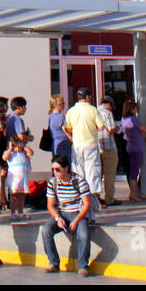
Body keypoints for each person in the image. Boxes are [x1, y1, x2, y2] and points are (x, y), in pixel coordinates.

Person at [42, 154, 93, 276]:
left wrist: (76, 220)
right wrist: (57, 218)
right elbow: (50, 205)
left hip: (78, 213)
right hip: (62, 213)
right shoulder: (52, 183)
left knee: (84, 236)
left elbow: (87, 204)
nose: (55, 172)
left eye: (58, 169)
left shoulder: (79, 181)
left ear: (66, 168)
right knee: (46, 230)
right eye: (53, 169)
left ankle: (83, 265)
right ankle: (53, 262)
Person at [63, 87, 103, 218]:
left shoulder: (71, 111)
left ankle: (79, 205)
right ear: (87, 97)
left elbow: (67, 128)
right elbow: (101, 126)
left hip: (77, 145)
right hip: (90, 144)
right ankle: (91, 208)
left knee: (78, 174)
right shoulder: (93, 110)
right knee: (92, 174)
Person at [121, 100, 146, 201]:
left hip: (131, 146)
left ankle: (136, 192)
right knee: (134, 171)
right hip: (137, 147)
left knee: (133, 170)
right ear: (131, 109)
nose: (137, 110)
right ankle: (134, 193)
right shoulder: (134, 119)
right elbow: (144, 129)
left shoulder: (125, 120)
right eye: (135, 108)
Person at [97, 96, 121, 207]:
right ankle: (109, 198)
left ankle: (96, 198)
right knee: (109, 176)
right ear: (108, 104)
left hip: (97, 147)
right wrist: (117, 128)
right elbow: (111, 130)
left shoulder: (95, 111)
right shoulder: (107, 113)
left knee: (97, 175)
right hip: (109, 147)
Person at [4, 135, 33, 219]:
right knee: (14, 195)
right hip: (14, 178)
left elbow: (31, 153)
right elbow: (4, 157)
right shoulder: (10, 154)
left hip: (23, 177)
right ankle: (13, 213)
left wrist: (23, 146)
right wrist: (10, 149)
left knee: (22, 195)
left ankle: (20, 212)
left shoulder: (23, 153)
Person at [47, 94, 70, 162]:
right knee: (65, 163)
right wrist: (72, 140)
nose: (64, 104)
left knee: (57, 163)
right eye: (62, 103)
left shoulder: (51, 116)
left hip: (55, 143)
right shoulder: (60, 116)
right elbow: (66, 131)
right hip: (63, 142)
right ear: (57, 105)